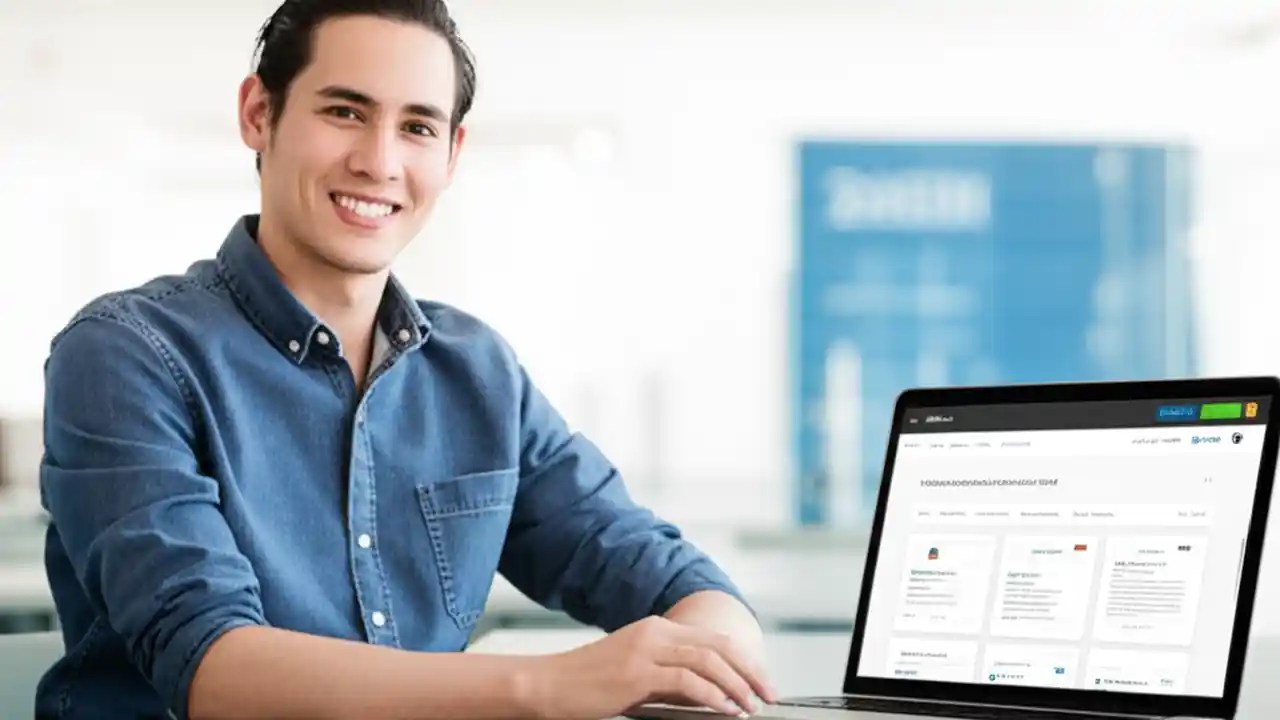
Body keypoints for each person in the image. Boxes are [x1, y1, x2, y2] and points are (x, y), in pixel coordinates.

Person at [34, 1, 778, 718]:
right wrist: (544, 688)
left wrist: (713, 652)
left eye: (417, 126)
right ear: (259, 114)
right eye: (345, 112)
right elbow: (215, 670)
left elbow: (678, 584)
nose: (379, 161)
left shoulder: (477, 372)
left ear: (451, 153)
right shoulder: (124, 353)